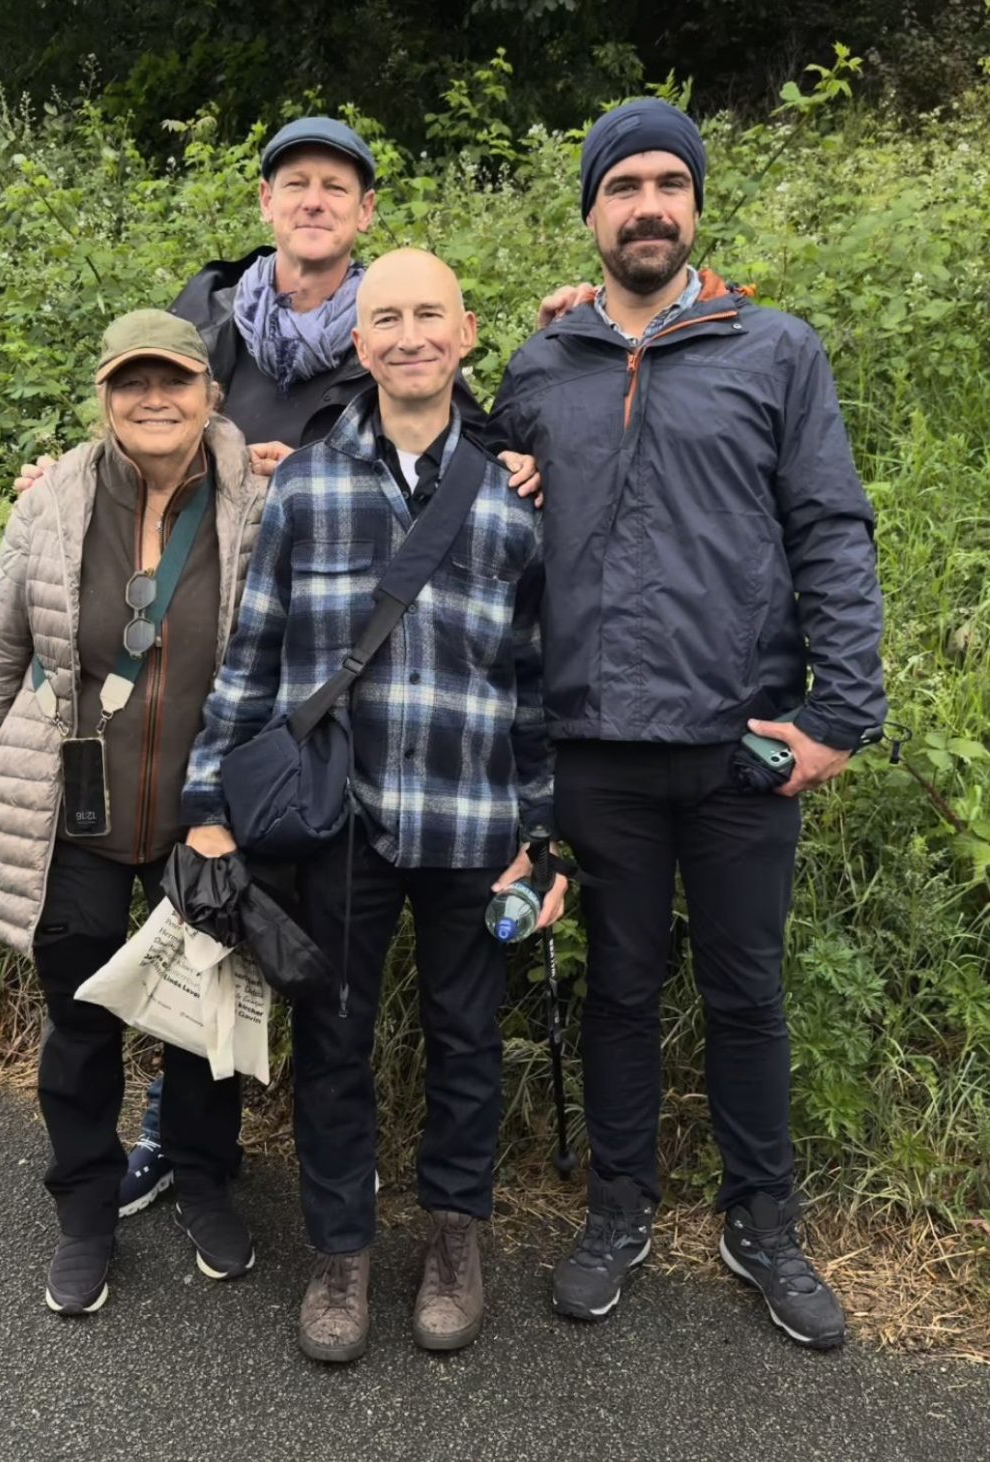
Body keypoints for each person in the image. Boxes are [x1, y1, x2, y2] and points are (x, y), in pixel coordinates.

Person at [16, 116, 541, 1220]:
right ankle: (171, 1155)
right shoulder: (213, 327)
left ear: (364, 215)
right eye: (294, 182)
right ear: (265, 204)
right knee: (203, 955)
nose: (313, 200)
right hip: (230, 715)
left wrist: (511, 462)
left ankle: (231, 1163)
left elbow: (462, 476)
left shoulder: (422, 380)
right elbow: (128, 423)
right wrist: (57, 481)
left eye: (336, 187)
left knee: (256, 954)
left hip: (324, 726)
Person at [488, 99, 886, 1350]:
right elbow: (482, 523)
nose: (648, 203)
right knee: (618, 987)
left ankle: (762, 1219)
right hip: (591, 741)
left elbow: (831, 526)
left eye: (670, 182)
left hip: (739, 743)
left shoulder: (775, 349)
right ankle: (618, 1208)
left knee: (747, 990)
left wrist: (841, 712)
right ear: (593, 213)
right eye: (624, 186)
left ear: (697, 206)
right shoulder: (541, 367)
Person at [180, 248, 567, 1362]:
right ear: (361, 344)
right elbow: (252, 661)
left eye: (427, 315)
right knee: (336, 1039)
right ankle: (339, 1251)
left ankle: (454, 1236)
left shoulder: (509, 495)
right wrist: (211, 801)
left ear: (466, 332)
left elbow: (531, 685)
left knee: (465, 1038)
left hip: (472, 818)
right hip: (338, 817)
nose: (406, 335)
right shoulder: (307, 480)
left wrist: (542, 840)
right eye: (385, 316)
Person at [0, 310, 269, 1314]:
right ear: (105, 398)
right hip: (72, 807)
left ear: (209, 392)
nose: (153, 399)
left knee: (202, 1012)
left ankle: (203, 1177)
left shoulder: (256, 501)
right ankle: (87, 1203)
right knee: (80, 1011)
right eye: (131, 382)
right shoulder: (50, 506)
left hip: (203, 806)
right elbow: (2, 653)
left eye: (172, 379)